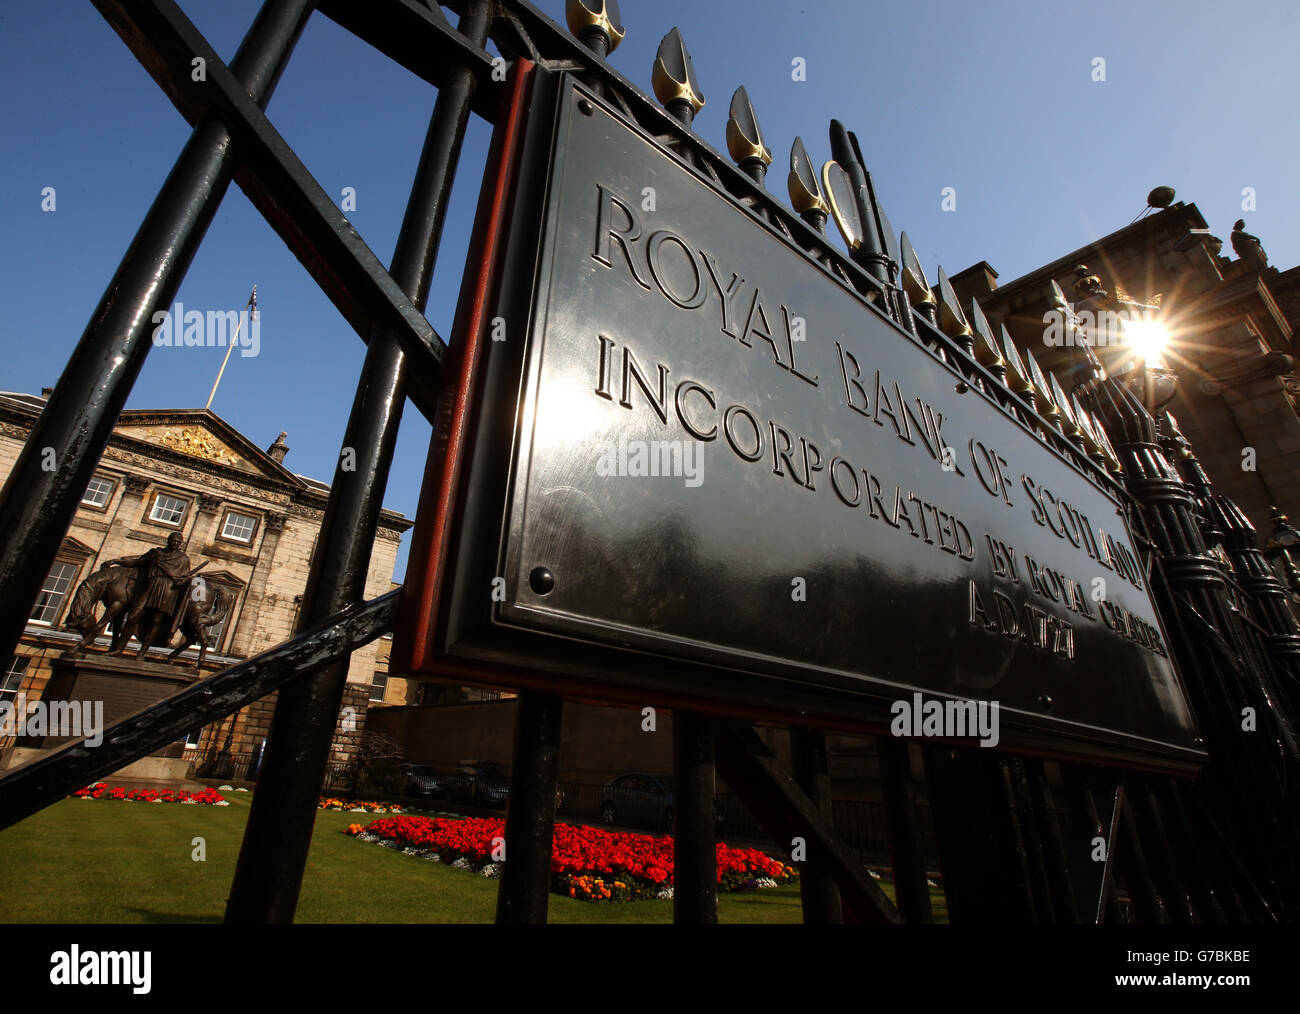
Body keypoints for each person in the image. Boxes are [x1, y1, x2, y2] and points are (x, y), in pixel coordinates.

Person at [107, 532, 193, 655]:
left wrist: (183, 581)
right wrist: (116, 561)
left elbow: (185, 578)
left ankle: (142, 653)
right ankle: (119, 649)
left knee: (156, 621)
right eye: (173, 541)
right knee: (132, 616)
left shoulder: (183, 559)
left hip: (168, 590)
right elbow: (136, 562)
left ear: (180, 544)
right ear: (168, 540)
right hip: (152, 586)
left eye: (178, 542)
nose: (175, 544)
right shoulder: (156, 553)